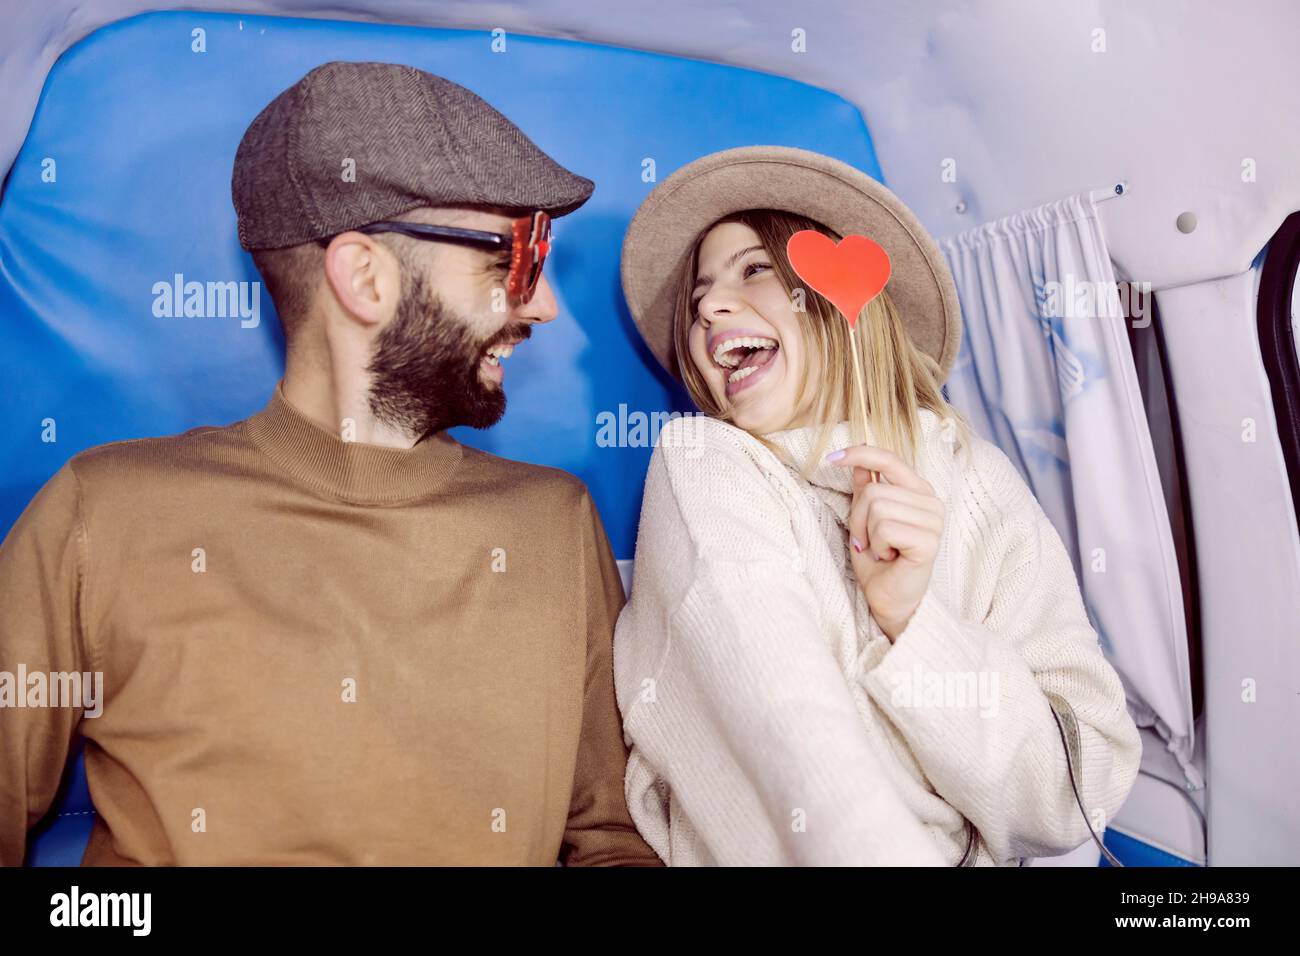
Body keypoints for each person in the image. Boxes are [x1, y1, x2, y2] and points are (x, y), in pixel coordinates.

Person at [0, 61, 659, 867]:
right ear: (363, 276)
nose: (544, 303)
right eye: (511, 256)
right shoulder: (100, 513)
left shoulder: (553, 523)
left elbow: (612, 842)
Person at [613, 145, 1142, 866]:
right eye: (699, 293)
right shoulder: (702, 463)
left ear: (839, 300)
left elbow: (1075, 794)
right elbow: (794, 735)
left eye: (755, 269)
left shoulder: (976, 479)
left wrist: (913, 622)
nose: (706, 306)